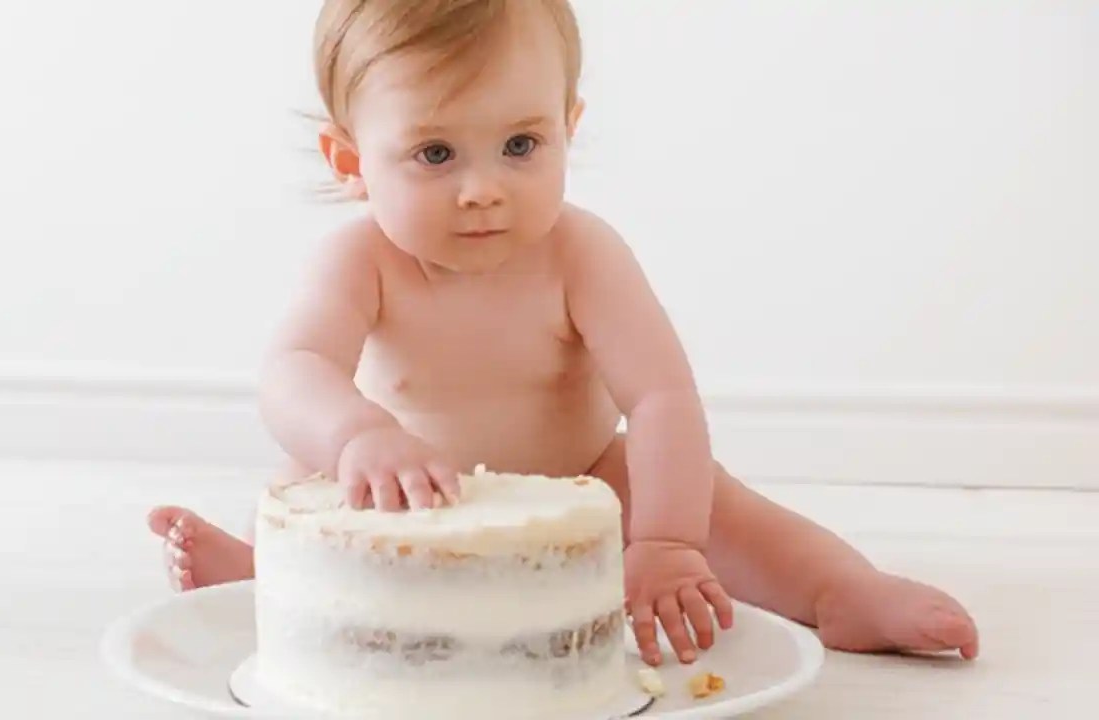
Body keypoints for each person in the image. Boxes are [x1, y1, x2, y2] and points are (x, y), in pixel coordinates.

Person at [148, 0, 978, 666]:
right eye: (435, 154)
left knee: (720, 503)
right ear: (351, 161)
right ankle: (271, 582)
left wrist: (664, 538)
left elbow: (658, 399)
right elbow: (293, 370)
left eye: (520, 144)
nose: (483, 189)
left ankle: (838, 589)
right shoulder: (359, 259)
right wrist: (359, 434)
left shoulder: (580, 252)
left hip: (581, 485)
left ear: (567, 126)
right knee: (307, 485)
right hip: (416, 496)